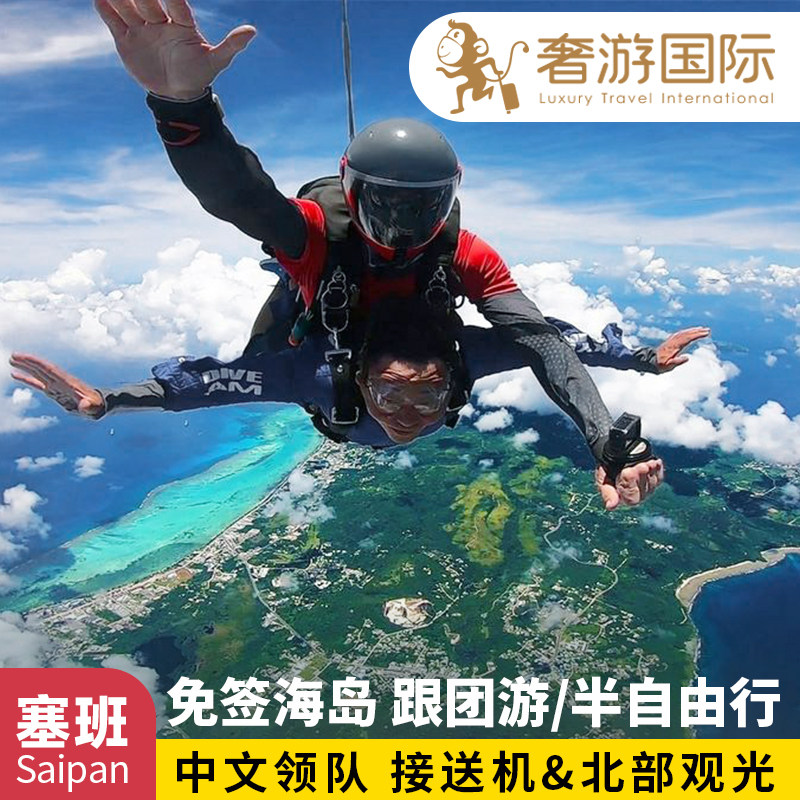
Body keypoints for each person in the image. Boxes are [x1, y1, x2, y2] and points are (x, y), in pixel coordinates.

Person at [93, 0, 672, 500]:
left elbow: (542, 341)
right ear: (351, 193)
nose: (403, 225)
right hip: (334, 339)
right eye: (385, 204)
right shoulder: (322, 240)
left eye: (423, 206)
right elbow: (239, 197)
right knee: (285, 326)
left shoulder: (460, 255)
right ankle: (297, 288)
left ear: (449, 199)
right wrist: (183, 108)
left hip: (363, 357)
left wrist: (611, 434)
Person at [10, 299, 664, 510]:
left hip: (350, 410)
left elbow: (551, 345)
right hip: (323, 379)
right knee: (267, 355)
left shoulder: (466, 356)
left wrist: (636, 363)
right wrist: (106, 401)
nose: (407, 415)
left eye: (429, 395)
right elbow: (207, 385)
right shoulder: (313, 375)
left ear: (451, 382)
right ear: (360, 381)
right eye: (390, 393)